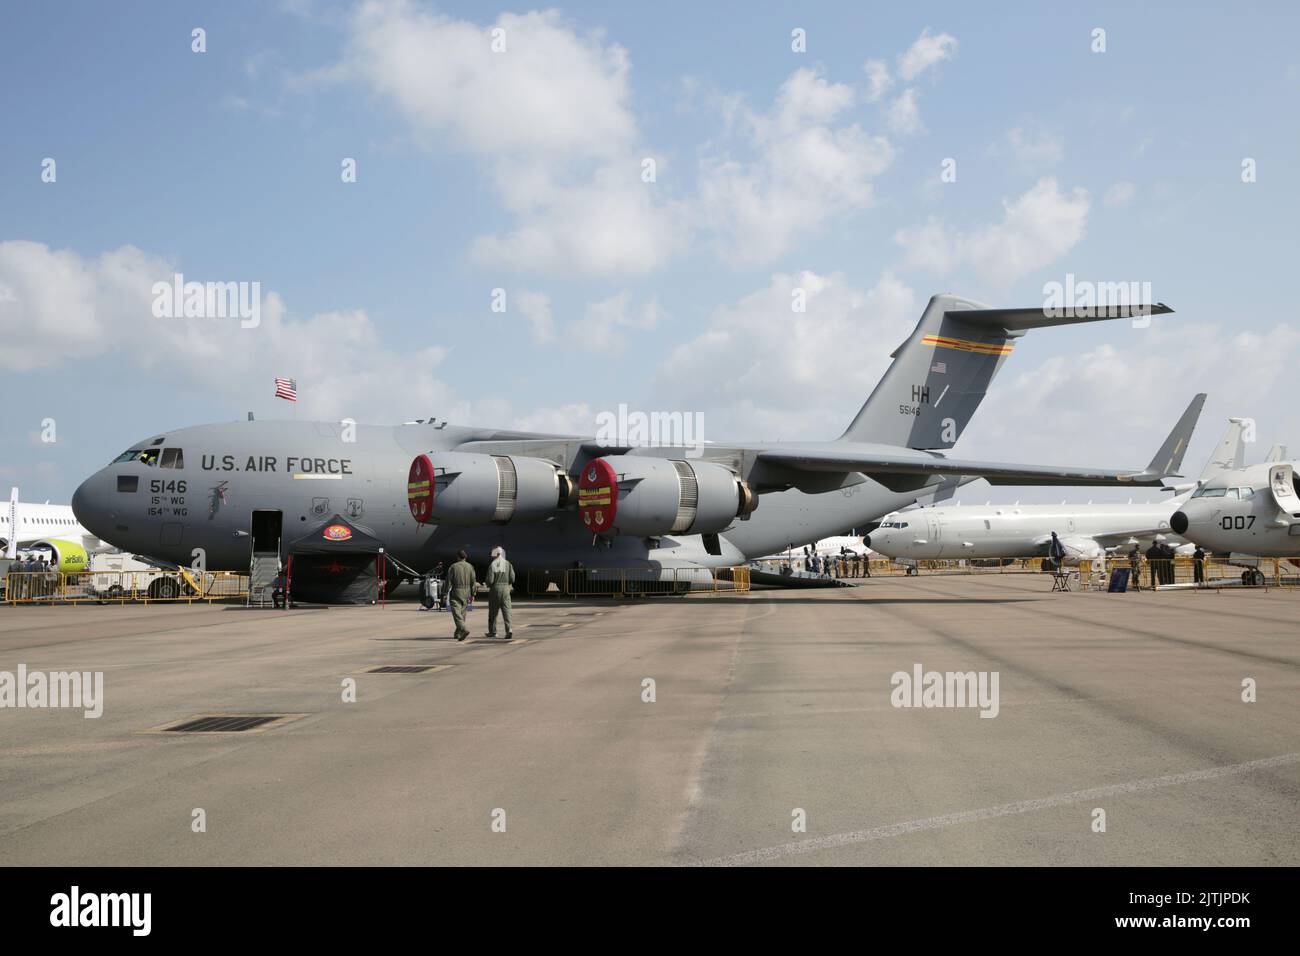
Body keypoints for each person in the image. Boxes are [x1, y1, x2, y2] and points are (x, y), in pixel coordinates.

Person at [484, 546, 516, 640]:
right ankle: (509, 629)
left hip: (495, 589)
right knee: (507, 611)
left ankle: (493, 632)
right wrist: (506, 584)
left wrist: (490, 585)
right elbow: (512, 578)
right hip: (506, 589)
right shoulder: (508, 564)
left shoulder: (493, 565)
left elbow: (490, 580)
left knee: (493, 612)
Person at [446, 550, 477, 641]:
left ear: (458, 557)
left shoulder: (453, 567)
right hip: (466, 592)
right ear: (465, 557)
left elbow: (448, 581)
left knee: (456, 613)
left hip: (456, 591)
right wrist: (473, 593)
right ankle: (457, 633)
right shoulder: (470, 567)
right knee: (462, 614)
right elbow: (473, 581)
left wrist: (444, 593)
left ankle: (464, 629)